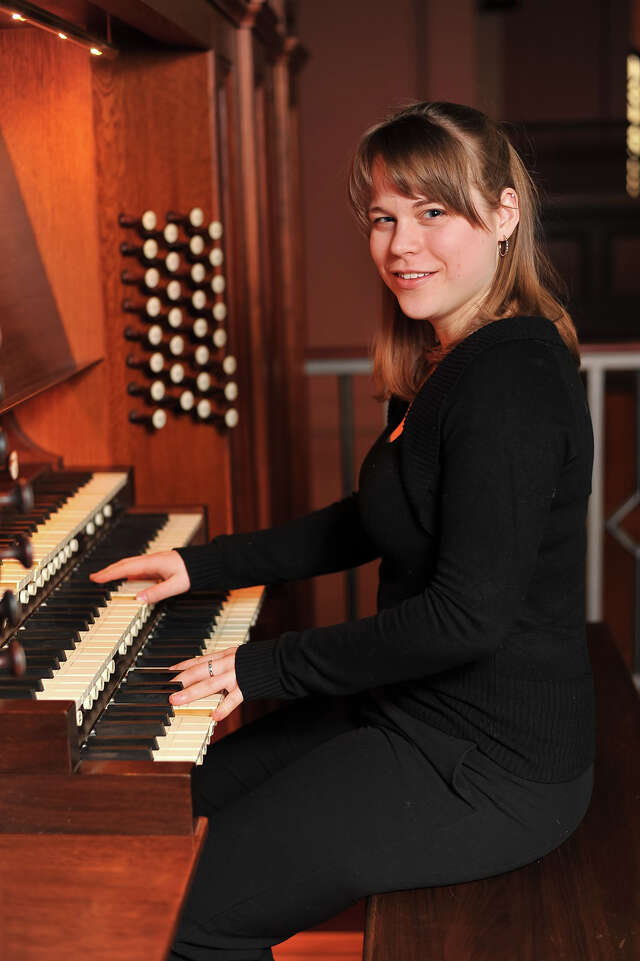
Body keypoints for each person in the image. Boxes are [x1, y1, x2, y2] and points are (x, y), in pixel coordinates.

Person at [91, 101, 595, 961]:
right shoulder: (448, 361)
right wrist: (198, 563)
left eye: (435, 212)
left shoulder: (507, 384)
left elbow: (463, 619)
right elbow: (370, 521)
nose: (404, 245)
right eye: (384, 218)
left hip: (489, 760)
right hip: (412, 710)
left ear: (504, 213)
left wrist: (266, 666)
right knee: (159, 811)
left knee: (184, 916)